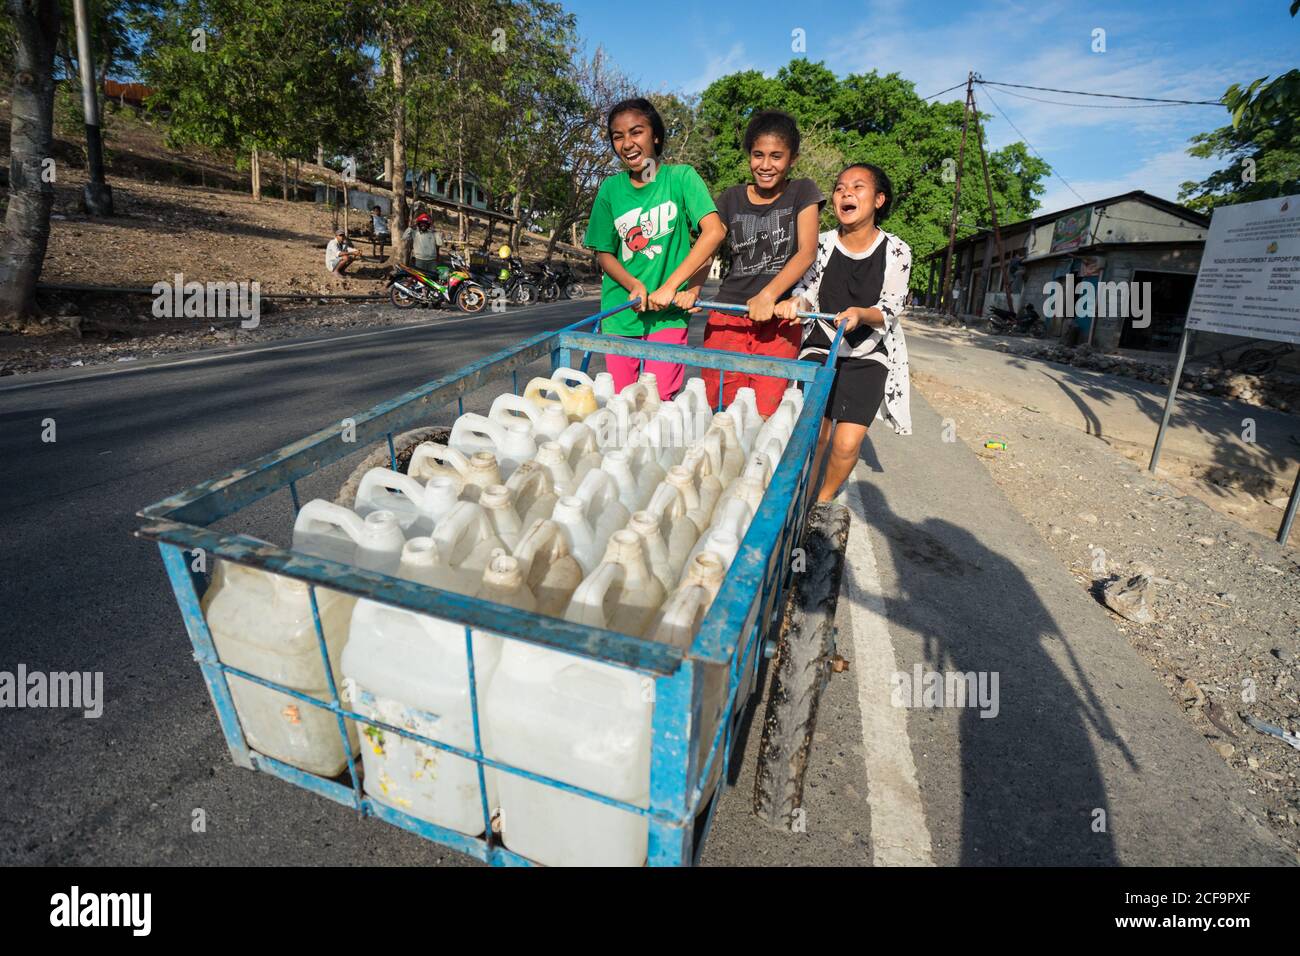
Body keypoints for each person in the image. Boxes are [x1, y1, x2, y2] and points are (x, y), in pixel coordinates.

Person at [774, 162, 912, 502]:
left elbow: (891, 308)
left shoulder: (897, 251)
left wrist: (861, 315)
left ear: (879, 200)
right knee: (813, 436)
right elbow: (806, 291)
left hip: (869, 353)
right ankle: (798, 500)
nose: (846, 192)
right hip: (821, 344)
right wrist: (797, 305)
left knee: (847, 443)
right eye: (839, 188)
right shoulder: (819, 244)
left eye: (857, 186)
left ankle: (822, 501)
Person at [584, 97, 725, 402]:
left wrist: (679, 287)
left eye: (636, 132)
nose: (627, 143)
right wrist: (633, 284)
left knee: (658, 402)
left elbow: (714, 233)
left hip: (668, 313)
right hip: (621, 310)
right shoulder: (610, 189)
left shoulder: (682, 178)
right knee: (623, 402)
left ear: (656, 136)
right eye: (617, 136)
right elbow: (604, 253)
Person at [701, 110, 824, 417]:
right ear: (749, 156)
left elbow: (807, 251)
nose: (766, 165)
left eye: (776, 156)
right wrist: (691, 287)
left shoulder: (802, 191)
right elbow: (709, 248)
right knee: (720, 410)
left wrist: (769, 295)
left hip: (779, 322)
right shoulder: (730, 198)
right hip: (729, 316)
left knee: (765, 411)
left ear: (792, 159)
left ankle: (760, 466)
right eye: (758, 155)